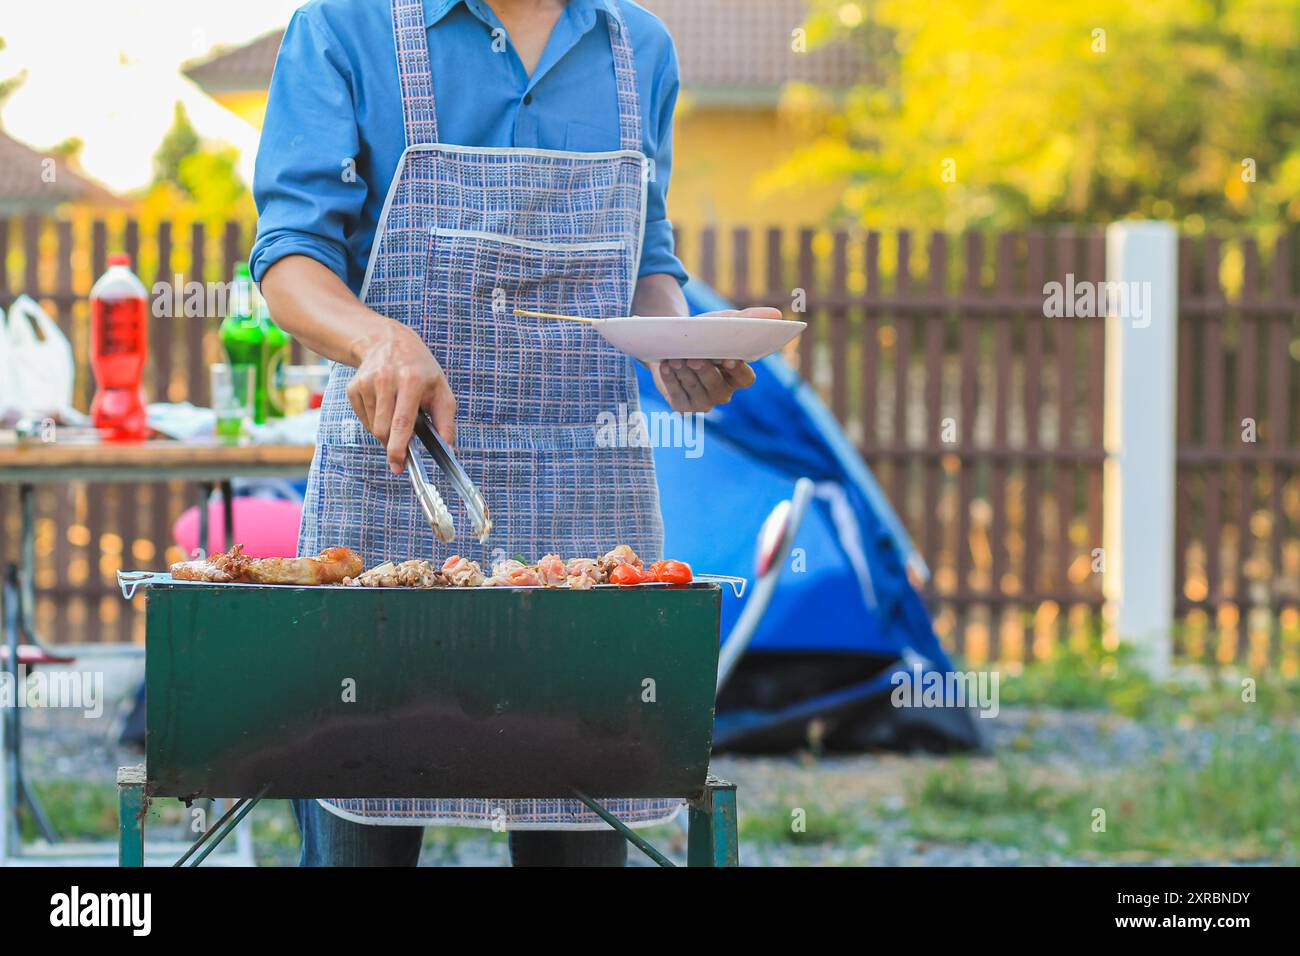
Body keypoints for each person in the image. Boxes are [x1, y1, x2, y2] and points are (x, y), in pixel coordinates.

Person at [251, 0, 778, 867]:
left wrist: (680, 341)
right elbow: (289, 257)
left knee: (581, 833)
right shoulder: (344, 28)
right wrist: (376, 339)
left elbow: (645, 258)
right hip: (397, 488)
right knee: (360, 829)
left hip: (590, 509)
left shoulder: (640, 50)